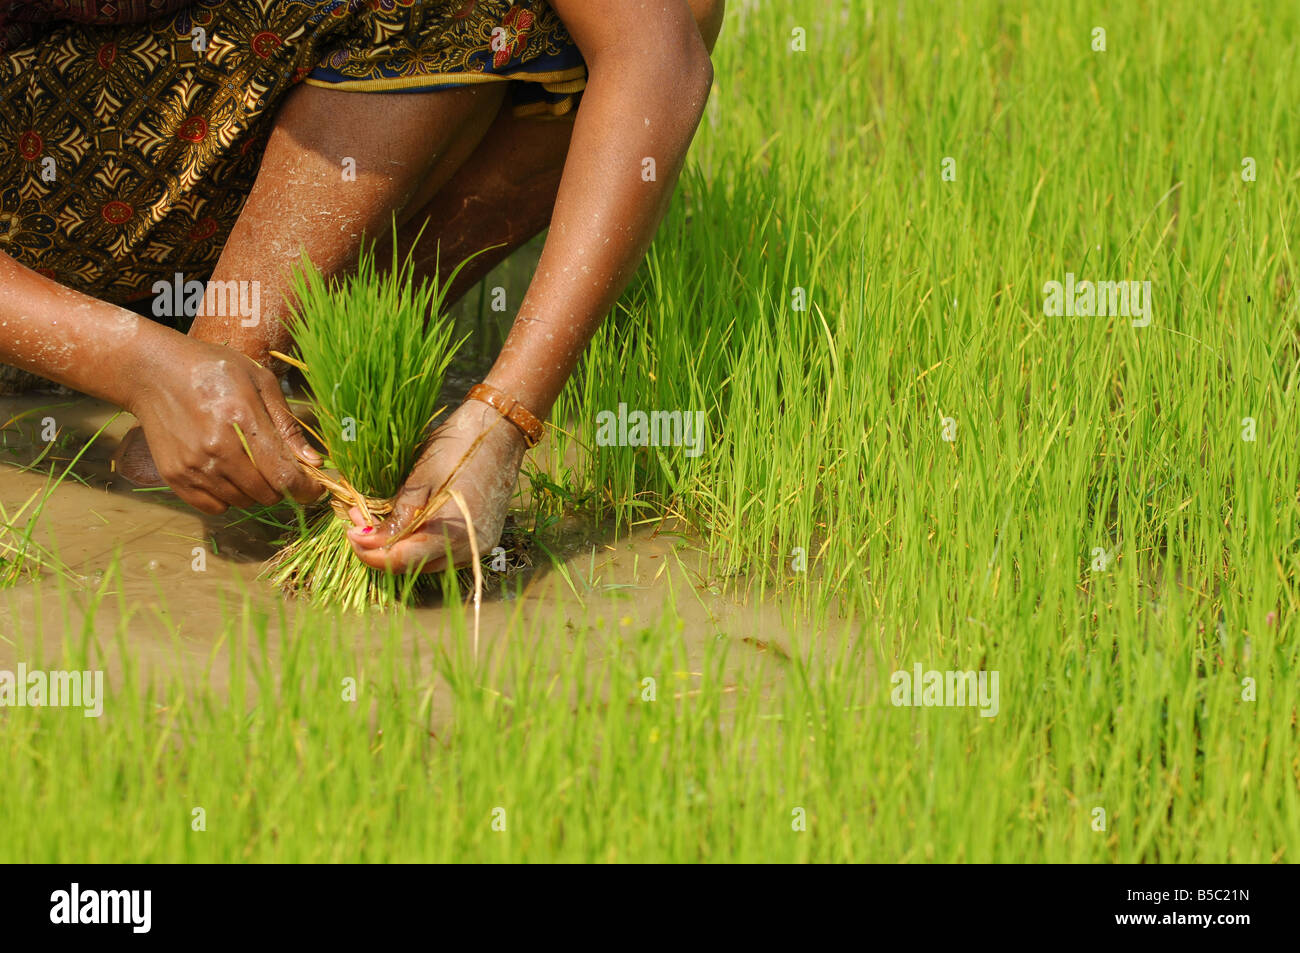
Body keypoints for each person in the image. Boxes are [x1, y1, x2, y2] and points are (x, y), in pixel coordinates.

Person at [0, 0, 723, 573]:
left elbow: (657, 45)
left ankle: (284, 370)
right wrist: (133, 362)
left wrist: (502, 421)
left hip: (208, 117)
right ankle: (179, 389)